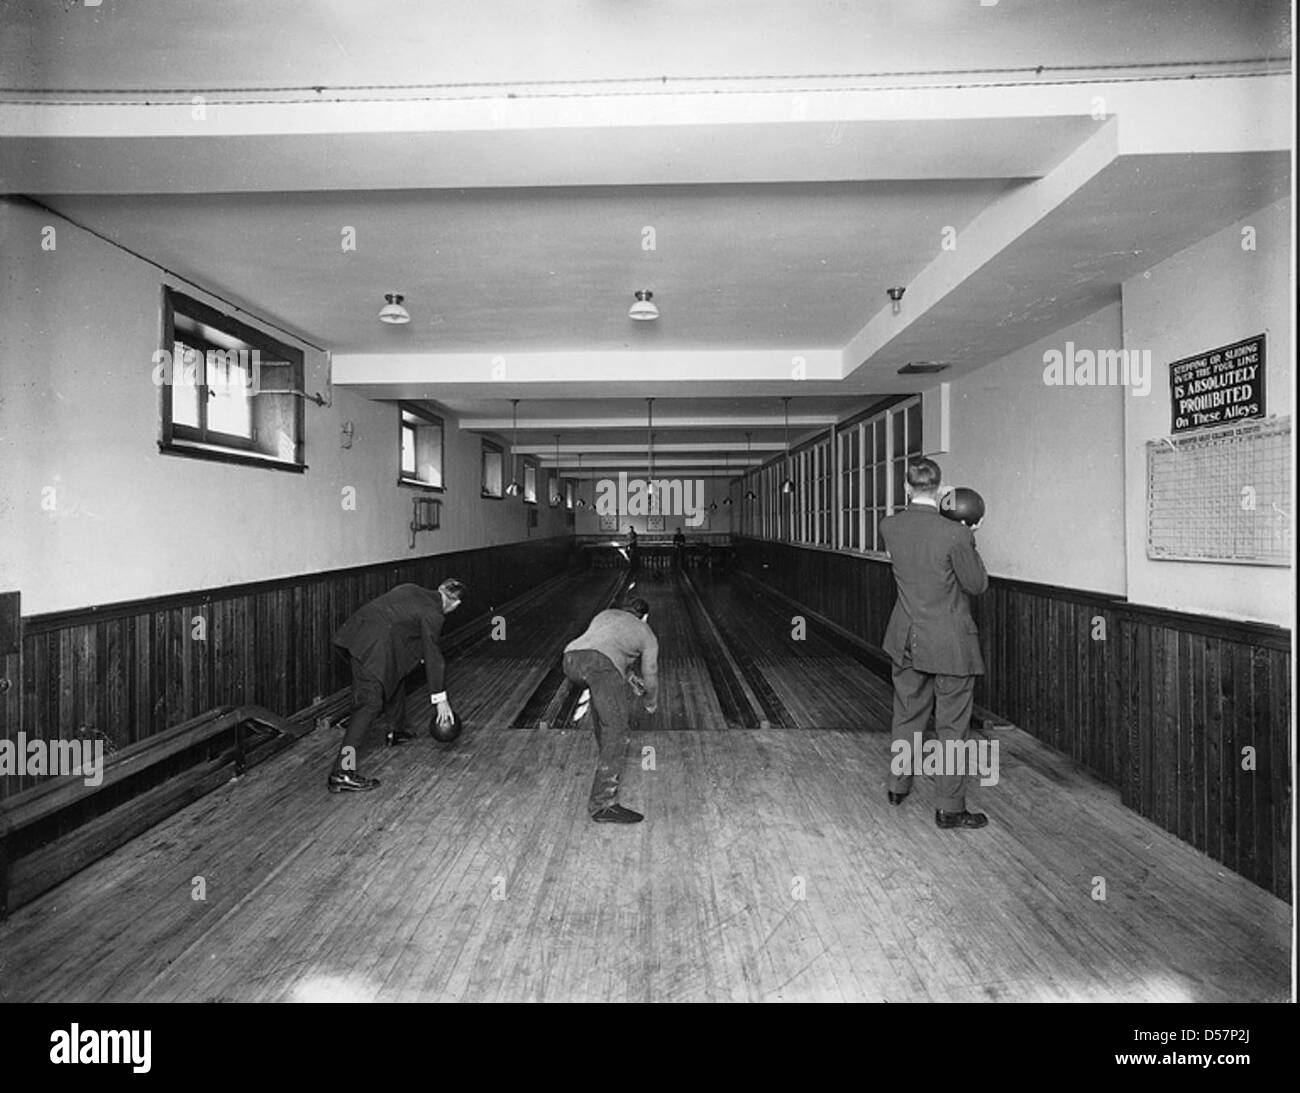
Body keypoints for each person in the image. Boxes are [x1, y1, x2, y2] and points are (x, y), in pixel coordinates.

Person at [880, 459, 989, 829]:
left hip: (907, 637)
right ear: (941, 489)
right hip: (949, 643)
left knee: (907, 715)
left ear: (906, 488)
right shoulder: (955, 534)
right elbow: (976, 584)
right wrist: (969, 531)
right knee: (952, 727)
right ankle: (950, 808)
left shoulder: (889, 526)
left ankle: (898, 786)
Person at [327, 578, 465, 793]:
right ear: (455, 604)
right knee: (369, 705)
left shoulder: (412, 587)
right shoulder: (434, 613)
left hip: (356, 635)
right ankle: (342, 772)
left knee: (397, 673)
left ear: (440, 588)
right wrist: (440, 699)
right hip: (372, 648)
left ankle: (396, 730)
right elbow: (433, 655)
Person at [562, 596, 659, 823]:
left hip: (570, 660)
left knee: (604, 717)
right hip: (601, 667)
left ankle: (607, 760)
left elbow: (600, 647)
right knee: (616, 728)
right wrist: (650, 701)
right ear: (645, 617)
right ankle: (603, 805)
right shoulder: (646, 633)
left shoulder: (604, 615)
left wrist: (628, 676)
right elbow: (651, 673)